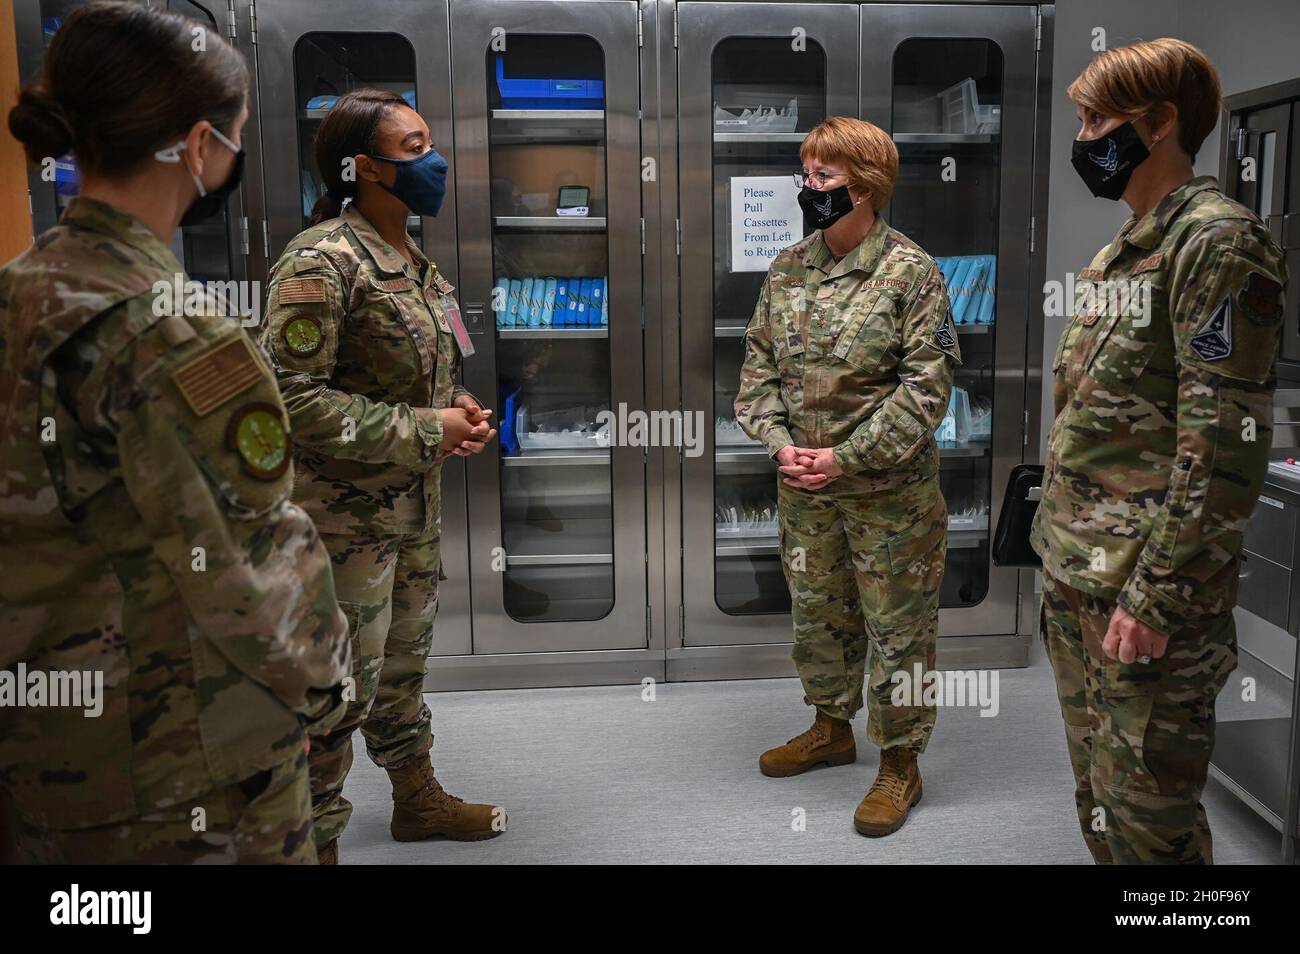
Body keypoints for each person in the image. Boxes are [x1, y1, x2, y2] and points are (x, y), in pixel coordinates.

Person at [0, 2, 350, 863]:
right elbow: (249, 566)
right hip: (180, 759)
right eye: (233, 136)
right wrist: (329, 686)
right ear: (199, 148)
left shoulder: (20, 287)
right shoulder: (170, 330)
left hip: (45, 743)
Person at [1031, 38, 1288, 864]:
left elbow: (1220, 444)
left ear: (1161, 121)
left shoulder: (1214, 243)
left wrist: (1159, 597)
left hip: (1142, 595)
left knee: (1150, 819)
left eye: (1096, 119)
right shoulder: (1129, 247)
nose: (1082, 139)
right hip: (1081, 576)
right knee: (1102, 800)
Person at [259, 89, 502, 864]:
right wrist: (426, 429)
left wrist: (456, 409)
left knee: (400, 667)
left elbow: (422, 376)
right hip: (339, 524)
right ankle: (315, 839)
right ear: (360, 166)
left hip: (411, 510)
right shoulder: (321, 260)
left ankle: (415, 800)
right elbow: (287, 400)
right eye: (414, 145)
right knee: (331, 686)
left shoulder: (413, 263)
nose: (433, 162)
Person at [736, 116, 961, 837]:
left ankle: (901, 761)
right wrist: (778, 445)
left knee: (899, 630)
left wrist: (846, 456)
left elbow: (926, 390)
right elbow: (756, 374)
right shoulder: (787, 269)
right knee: (820, 617)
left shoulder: (911, 273)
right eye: (806, 173)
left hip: (889, 498)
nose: (808, 187)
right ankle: (831, 728)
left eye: (823, 176)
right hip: (805, 494)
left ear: (866, 187)